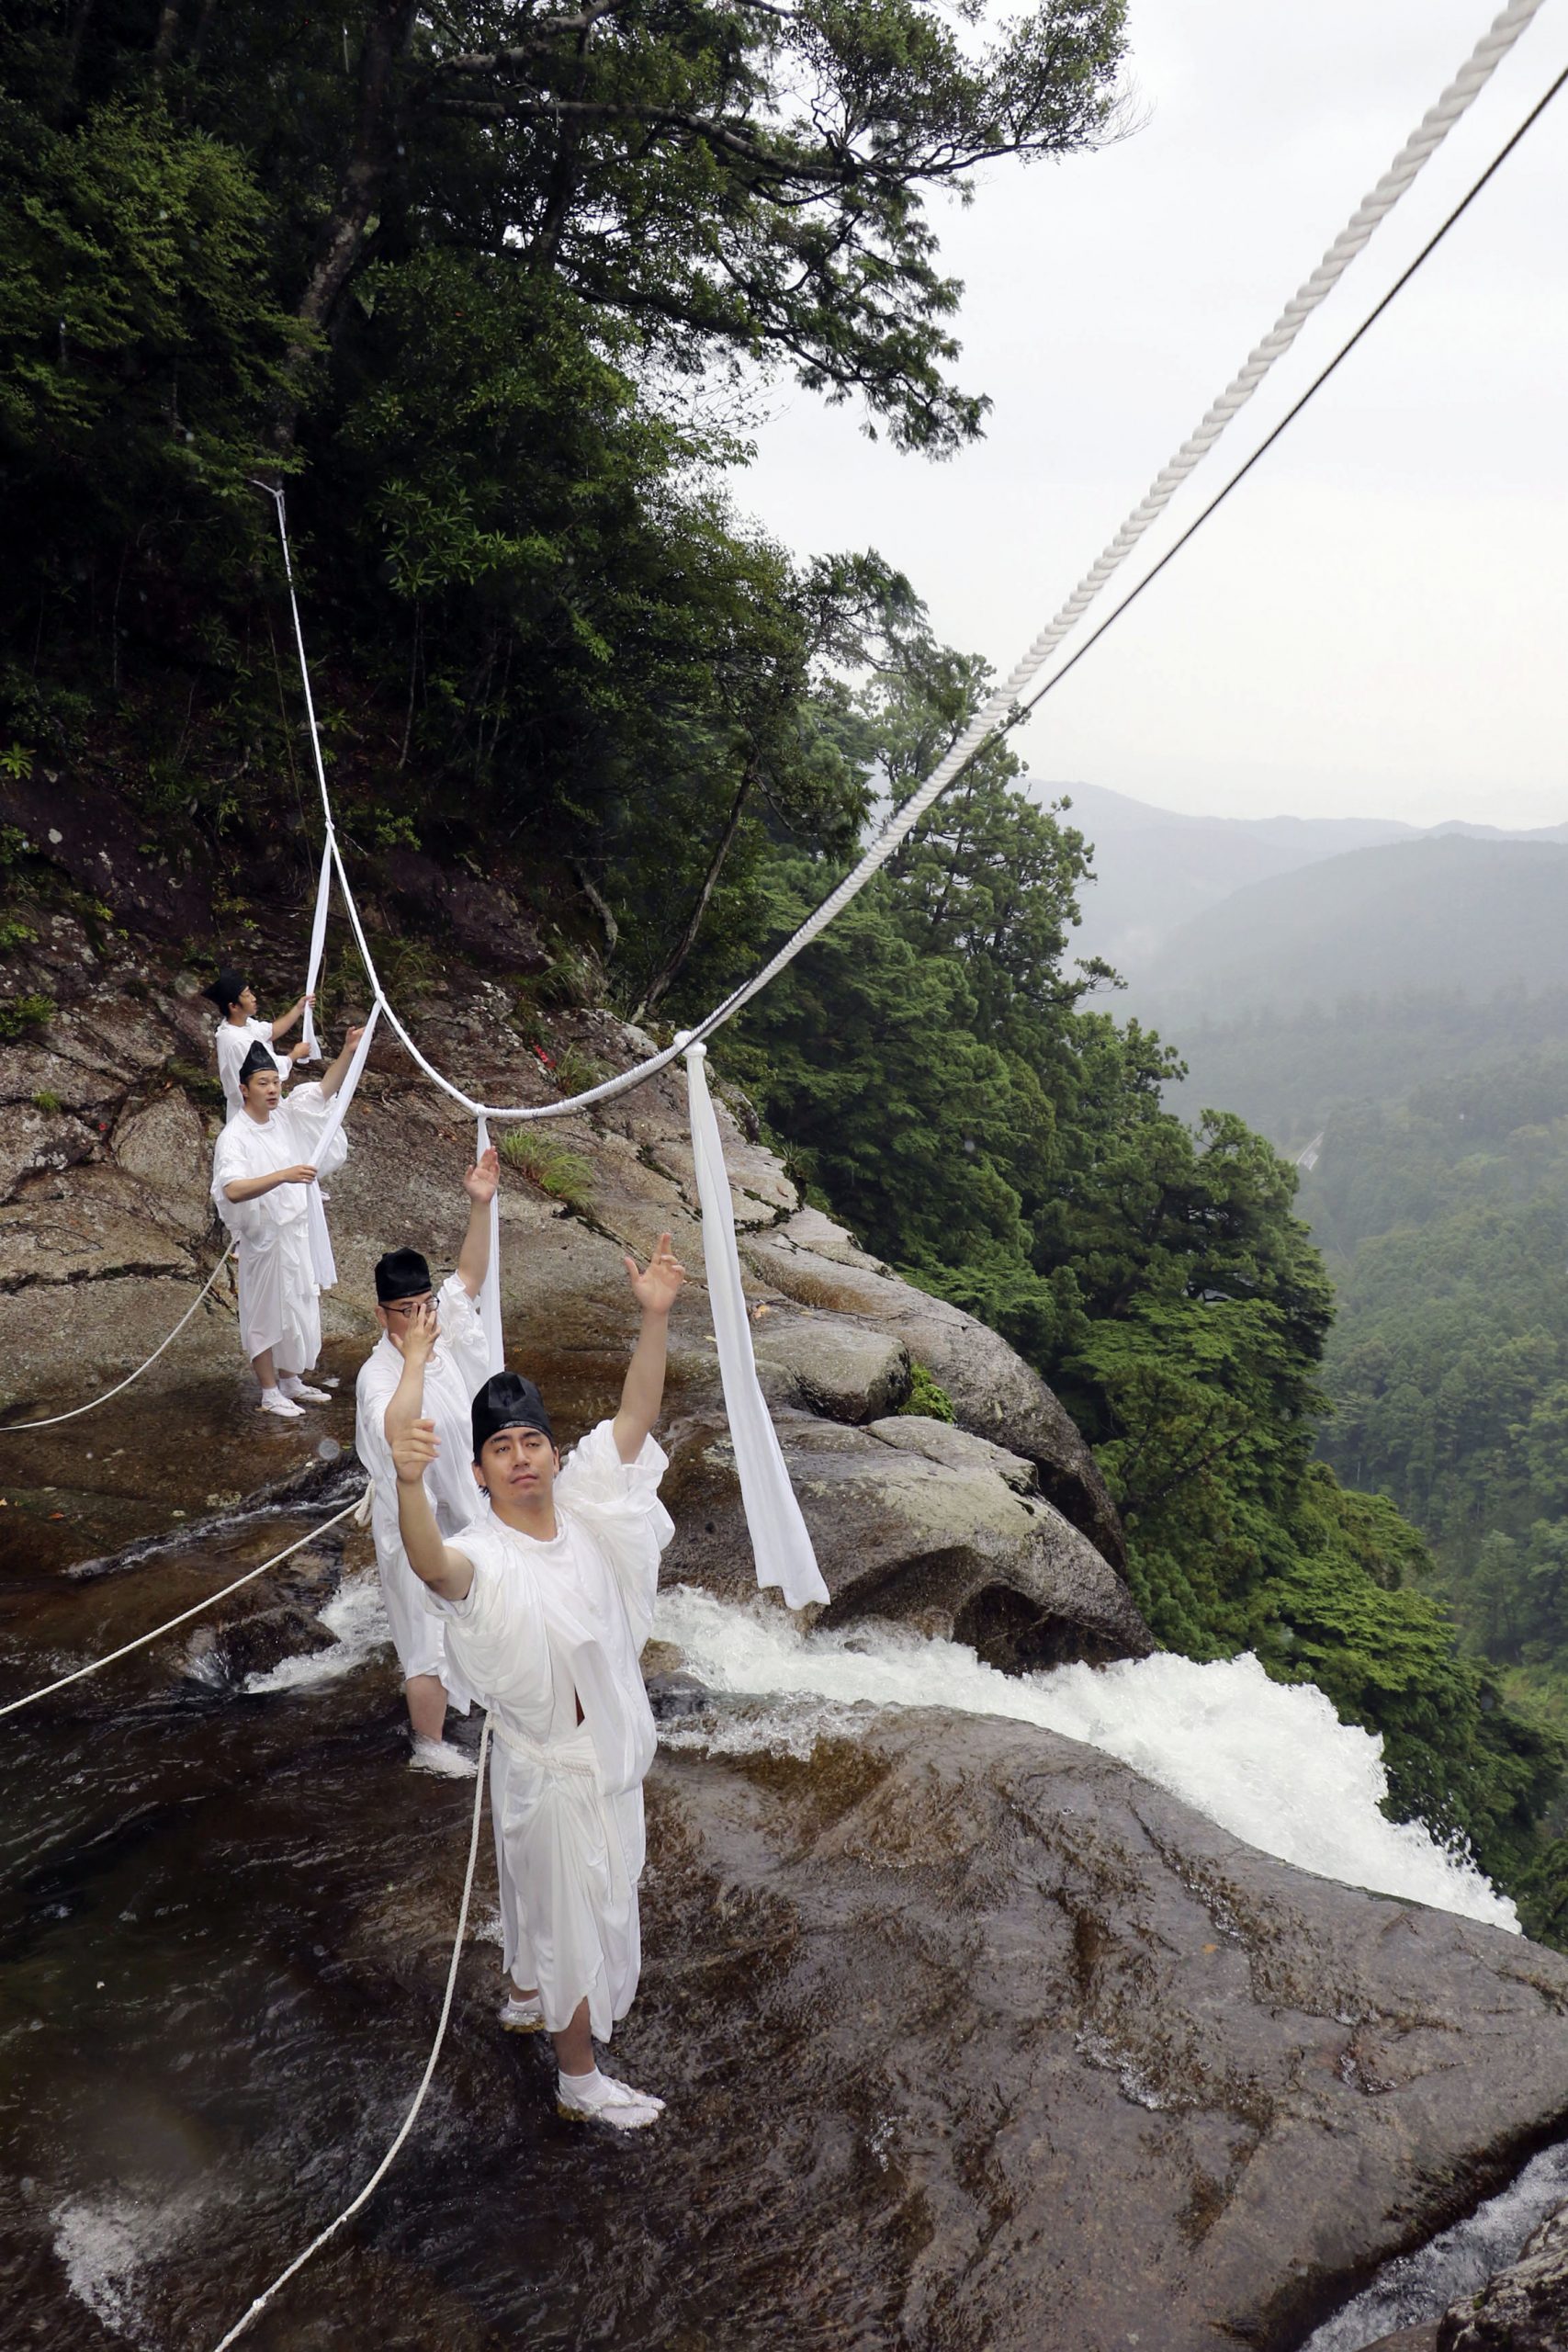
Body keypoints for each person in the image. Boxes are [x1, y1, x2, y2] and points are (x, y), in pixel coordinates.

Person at [385, 1234, 686, 2132]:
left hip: (596, 1756)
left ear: (553, 1455)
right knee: (570, 1919)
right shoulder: (485, 1552)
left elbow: (633, 1418)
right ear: (478, 1472)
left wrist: (655, 1318)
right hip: (548, 1764)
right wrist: (408, 1480)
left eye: (533, 1443)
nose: (521, 1459)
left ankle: (524, 1994)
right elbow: (431, 1563)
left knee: (538, 1899)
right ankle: (578, 2075)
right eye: (501, 1450)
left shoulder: (589, 1511)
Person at [354, 1147, 501, 1779]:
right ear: (382, 1313)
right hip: (415, 1524)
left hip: (470, 1508)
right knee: (425, 1639)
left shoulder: (442, 1323)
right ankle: (430, 1745)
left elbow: (468, 1277)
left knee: (486, 1608)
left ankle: (491, 1703)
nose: (421, 1318)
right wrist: (413, 1354)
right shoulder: (378, 1373)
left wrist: (479, 1204)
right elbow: (396, 1431)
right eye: (406, 1311)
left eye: (425, 1307)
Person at [210, 1030, 364, 1419]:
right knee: (263, 1312)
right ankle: (268, 1391)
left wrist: (347, 1051)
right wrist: (283, 1175)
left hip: (295, 1230)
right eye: (264, 1083)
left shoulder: (285, 1117)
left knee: (299, 1303)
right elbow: (232, 1189)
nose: (273, 1090)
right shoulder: (235, 1137)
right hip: (263, 1237)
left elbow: (324, 1091)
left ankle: (291, 1379)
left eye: (276, 1082)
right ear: (245, 1089)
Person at [207, 967, 316, 1120]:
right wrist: (295, 1054)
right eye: (247, 995)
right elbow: (270, 1069)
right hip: (251, 1112)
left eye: (250, 992)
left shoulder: (244, 1025)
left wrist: (298, 1009)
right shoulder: (236, 1040)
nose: (253, 998)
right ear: (233, 1006)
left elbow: (271, 1031)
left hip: (263, 1105)